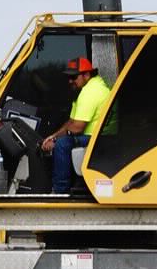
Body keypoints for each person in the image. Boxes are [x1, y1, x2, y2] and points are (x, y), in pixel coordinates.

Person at [41, 56, 112, 195]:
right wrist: (52, 136)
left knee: (62, 145)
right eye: (69, 77)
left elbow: (78, 127)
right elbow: (71, 122)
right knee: (61, 140)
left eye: (74, 77)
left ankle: (60, 192)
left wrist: (55, 140)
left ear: (86, 75)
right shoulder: (88, 89)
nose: (70, 81)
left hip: (100, 138)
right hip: (93, 135)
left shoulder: (90, 92)